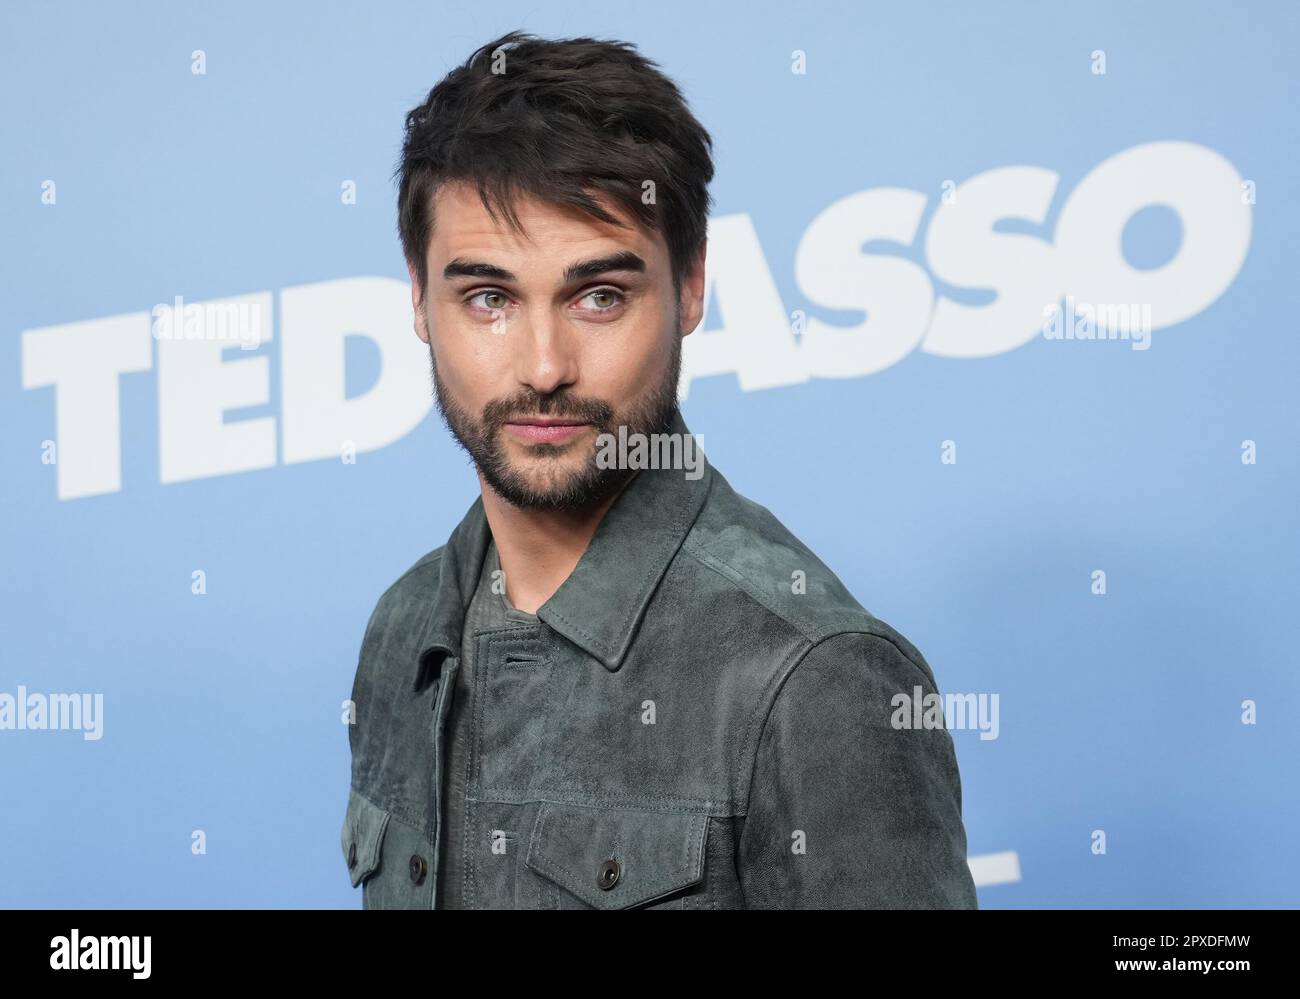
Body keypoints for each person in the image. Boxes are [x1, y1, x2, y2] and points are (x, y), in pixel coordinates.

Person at [341, 29, 978, 909]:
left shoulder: (815, 679)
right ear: (418, 299)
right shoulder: (403, 631)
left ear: (690, 288)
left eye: (599, 295)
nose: (542, 365)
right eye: (487, 298)